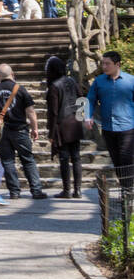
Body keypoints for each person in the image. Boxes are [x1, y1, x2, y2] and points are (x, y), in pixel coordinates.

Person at [0, 63, 48, 200]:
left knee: (7, 161)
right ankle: (36, 190)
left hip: (2, 131)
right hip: (20, 130)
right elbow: (31, 112)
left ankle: (14, 192)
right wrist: (35, 128)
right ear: (13, 74)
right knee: (28, 160)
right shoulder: (21, 89)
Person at [84, 51, 134, 200]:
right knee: (117, 159)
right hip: (108, 127)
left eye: (107, 64)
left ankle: (128, 189)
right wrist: (87, 116)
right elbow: (89, 100)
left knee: (126, 158)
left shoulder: (131, 80)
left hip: (128, 126)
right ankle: (126, 187)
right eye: (102, 63)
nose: (104, 66)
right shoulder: (99, 81)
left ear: (117, 64)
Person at [45, 55, 85, 198]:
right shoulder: (72, 81)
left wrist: (51, 132)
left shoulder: (54, 87)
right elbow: (82, 99)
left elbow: (53, 111)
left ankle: (67, 190)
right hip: (75, 122)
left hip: (62, 124)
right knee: (76, 157)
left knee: (64, 157)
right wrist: (80, 118)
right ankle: (78, 189)